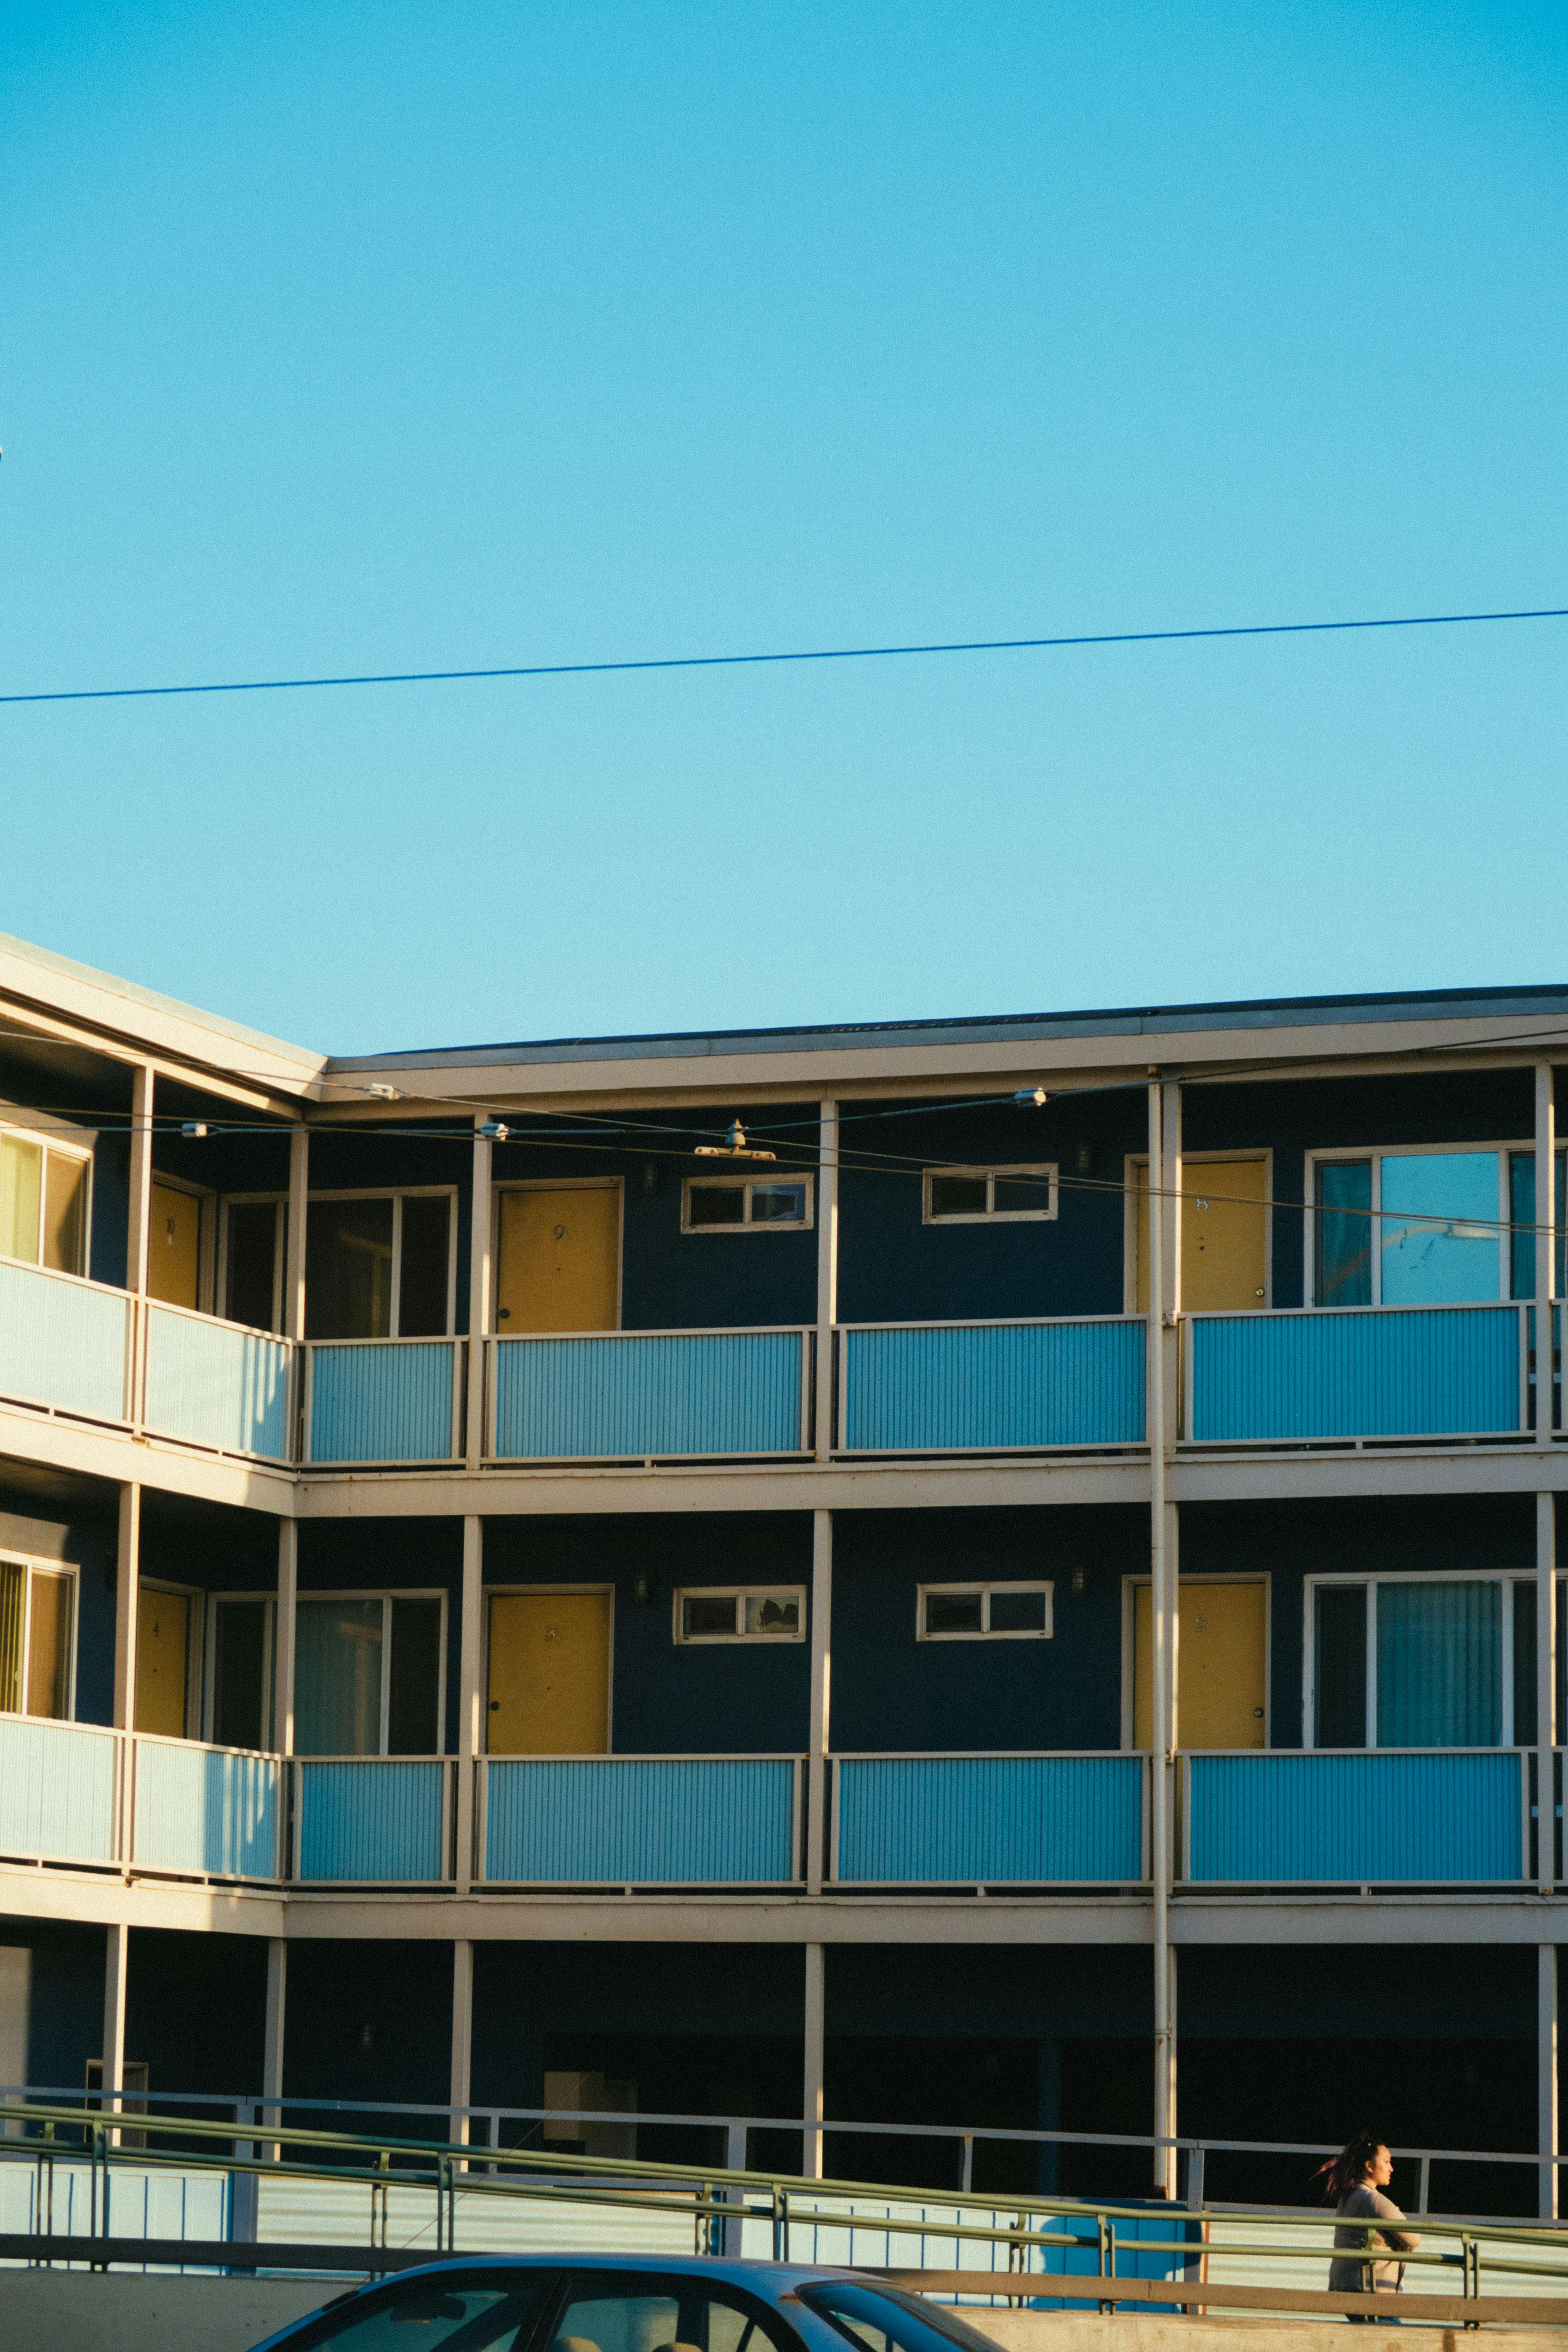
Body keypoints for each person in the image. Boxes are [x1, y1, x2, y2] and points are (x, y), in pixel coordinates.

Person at [1320, 2131, 1420, 2321]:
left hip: (1350, 2286)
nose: (1391, 2168)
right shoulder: (1372, 2199)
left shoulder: (1349, 2196)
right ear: (1369, 2166)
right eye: (1387, 2162)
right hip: (1370, 2291)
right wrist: (1400, 2244)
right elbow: (1414, 2238)